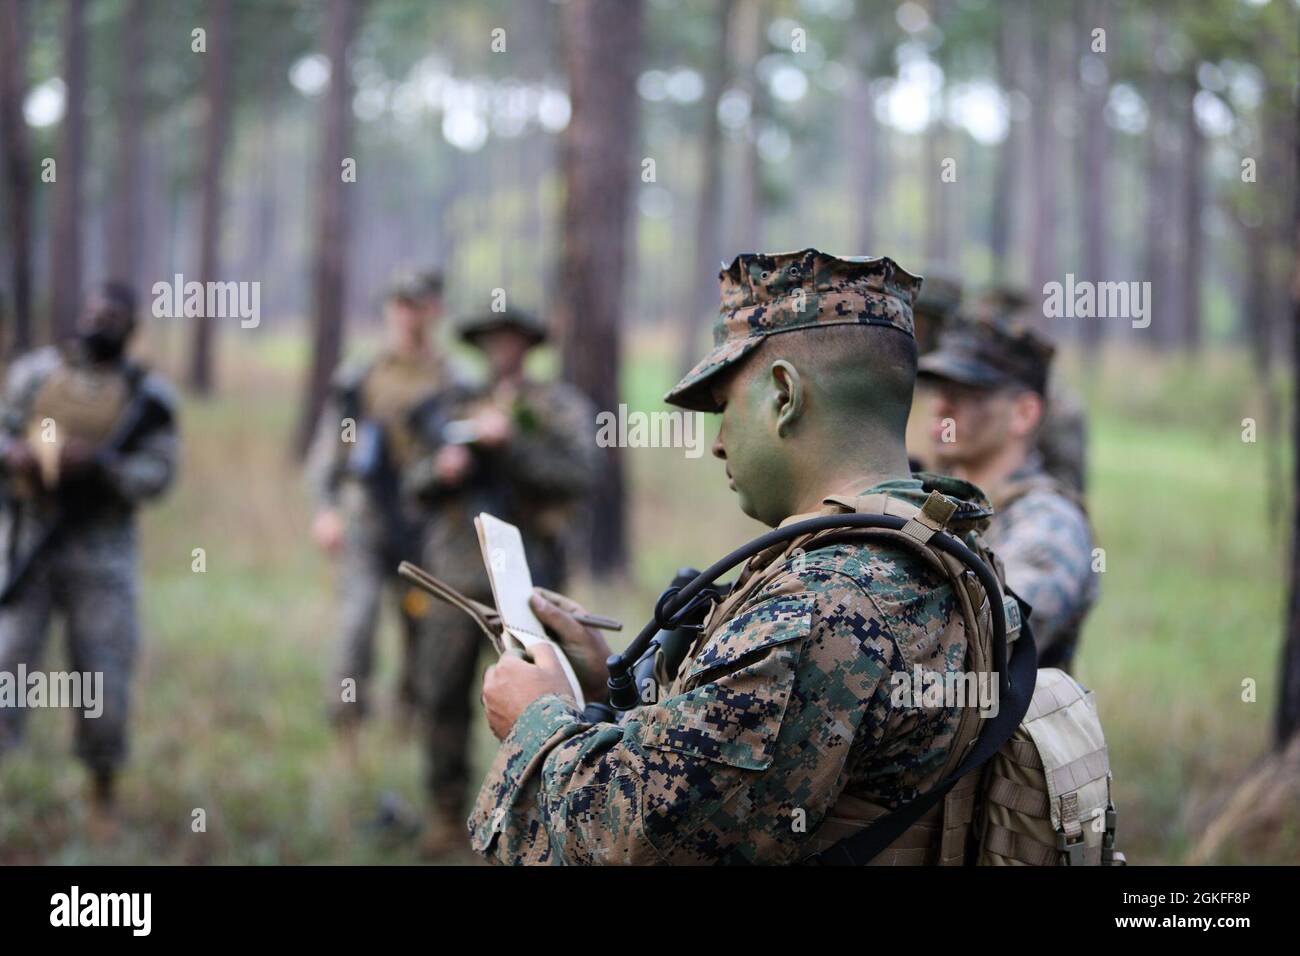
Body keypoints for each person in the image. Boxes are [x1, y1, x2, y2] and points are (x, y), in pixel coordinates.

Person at [465, 250, 1005, 865]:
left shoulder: (822, 607)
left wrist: (536, 720)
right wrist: (603, 674)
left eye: (723, 408)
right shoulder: (948, 544)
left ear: (784, 395)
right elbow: (749, 765)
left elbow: (628, 842)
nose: (718, 443)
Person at [404, 307, 596, 857]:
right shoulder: (452, 406)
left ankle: (537, 822)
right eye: (492, 341)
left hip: (528, 581)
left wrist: (511, 445)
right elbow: (412, 484)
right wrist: (442, 469)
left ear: (528, 345)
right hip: (453, 578)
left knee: (541, 701)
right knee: (440, 691)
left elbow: (578, 474)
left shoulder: (555, 406)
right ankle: (445, 814)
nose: (501, 350)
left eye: (511, 340)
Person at [0, 280, 178, 839]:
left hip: (101, 554)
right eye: (92, 312)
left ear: (131, 327)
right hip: (28, 541)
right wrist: (19, 456)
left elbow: (160, 473)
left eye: (113, 316)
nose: (100, 324)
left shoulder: (148, 398)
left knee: (103, 680)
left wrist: (102, 467)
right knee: (7, 667)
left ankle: (103, 797)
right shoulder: (34, 375)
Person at [305, 268, 446, 735]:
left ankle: (410, 716)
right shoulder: (360, 374)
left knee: (421, 625)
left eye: (419, 304)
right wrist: (326, 508)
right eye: (401, 304)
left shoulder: (454, 378)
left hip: (426, 521)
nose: (410, 315)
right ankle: (347, 720)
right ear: (390, 309)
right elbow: (331, 445)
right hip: (366, 515)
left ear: (435, 309)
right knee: (357, 621)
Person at [917, 315, 1097, 670]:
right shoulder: (931, 499)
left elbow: (992, 639)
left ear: (1024, 414)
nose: (941, 407)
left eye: (966, 392)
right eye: (940, 390)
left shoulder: (1049, 523)